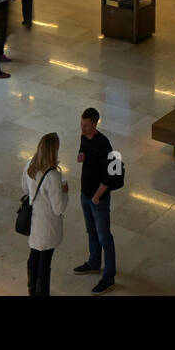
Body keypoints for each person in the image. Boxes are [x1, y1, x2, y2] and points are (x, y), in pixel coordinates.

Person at [73, 106, 117, 293]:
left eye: (86, 126)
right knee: (91, 231)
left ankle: (109, 276)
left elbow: (110, 177)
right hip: (85, 193)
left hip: (98, 198)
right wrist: (80, 157)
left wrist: (98, 196)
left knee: (104, 236)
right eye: (81, 125)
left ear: (95, 124)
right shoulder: (84, 137)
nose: (82, 129)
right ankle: (93, 262)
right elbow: (82, 153)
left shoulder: (104, 145)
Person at [21, 132, 69, 296]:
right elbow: (58, 208)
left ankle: (32, 290)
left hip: (34, 223)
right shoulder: (53, 175)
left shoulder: (29, 166)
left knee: (34, 257)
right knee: (44, 264)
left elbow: (24, 188)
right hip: (47, 226)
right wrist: (65, 193)